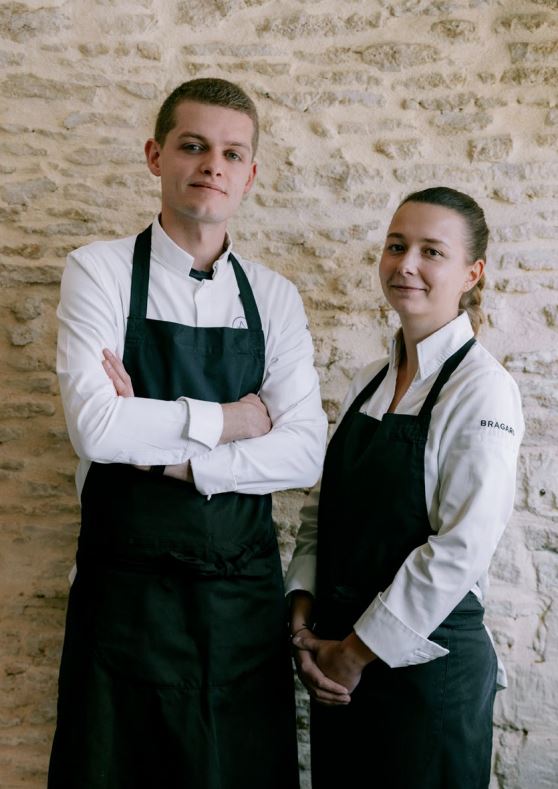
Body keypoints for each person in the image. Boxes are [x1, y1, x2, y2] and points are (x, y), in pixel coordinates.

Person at [49, 77, 327, 789]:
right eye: (194, 146)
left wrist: (174, 459)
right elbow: (98, 427)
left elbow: (302, 449)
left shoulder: (274, 296)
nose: (213, 164)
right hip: (125, 600)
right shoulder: (99, 270)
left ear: (250, 175)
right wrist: (232, 421)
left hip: (239, 605)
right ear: (155, 155)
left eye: (232, 153)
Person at [285, 186, 524, 789]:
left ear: (472, 273)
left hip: (423, 677)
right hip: (338, 668)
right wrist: (302, 618)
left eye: (430, 251)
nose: (406, 264)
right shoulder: (369, 380)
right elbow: (322, 515)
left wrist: (354, 652)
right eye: (396, 246)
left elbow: (460, 548)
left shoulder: (483, 389)